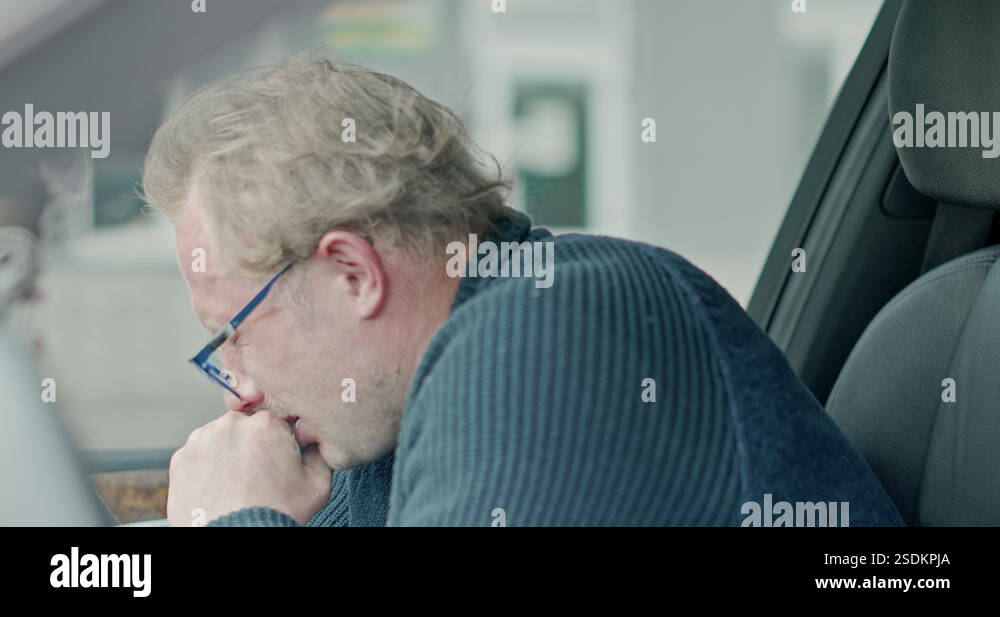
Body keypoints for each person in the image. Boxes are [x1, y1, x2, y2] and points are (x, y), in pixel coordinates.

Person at [145, 52, 901, 526]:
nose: (235, 389)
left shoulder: (552, 334)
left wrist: (236, 521)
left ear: (353, 273)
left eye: (234, 333)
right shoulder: (383, 420)